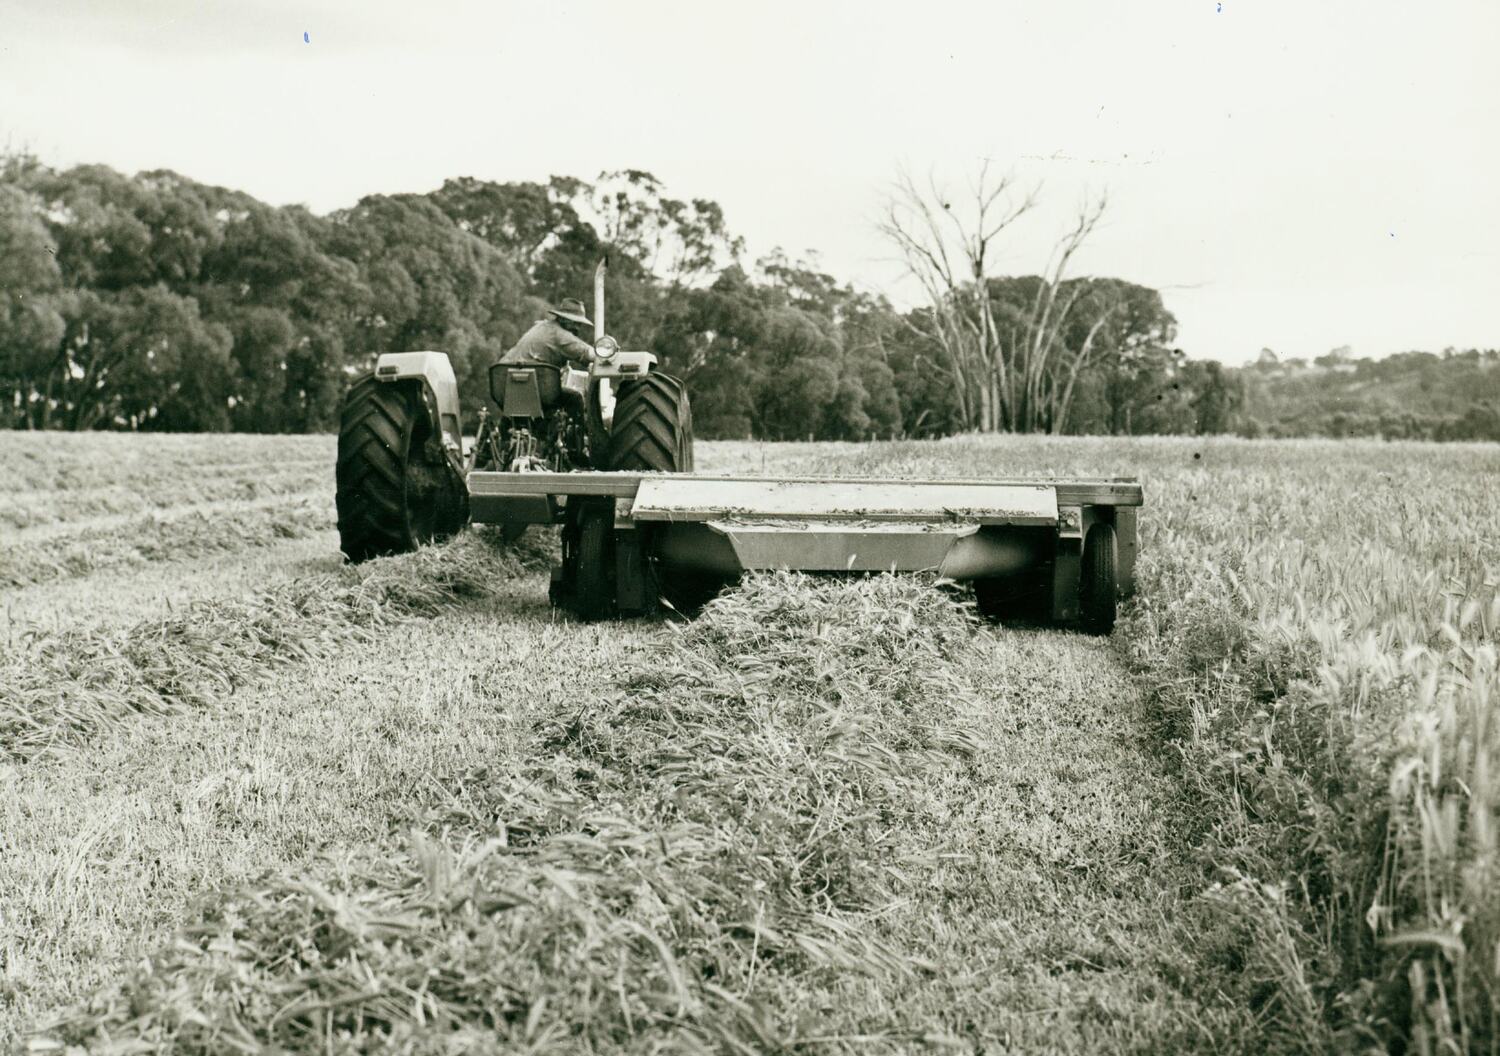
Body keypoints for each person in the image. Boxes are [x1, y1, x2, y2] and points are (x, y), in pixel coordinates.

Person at [499, 298, 596, 368]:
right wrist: (607, 353)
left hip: (504, 379)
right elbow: (591, 354)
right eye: (575, 322)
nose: (577, 327)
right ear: (563, 319)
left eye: (579, 324)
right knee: (576, 396)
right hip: (526, 383)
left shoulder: (542, 326)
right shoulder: (560, 335)